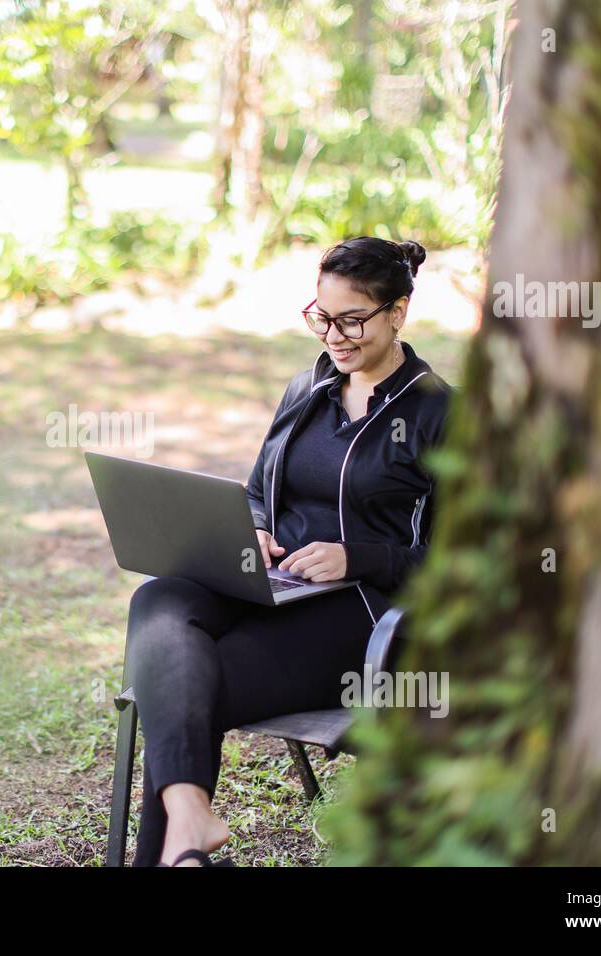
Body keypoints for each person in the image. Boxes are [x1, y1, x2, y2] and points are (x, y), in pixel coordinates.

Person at [122, 236, 453, 866]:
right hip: (271, 581)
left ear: (398, 312)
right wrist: (253, 531)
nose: (334, 335)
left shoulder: (439, 415)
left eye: (353, 320)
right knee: (160, 597)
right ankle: (190, 820)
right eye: (322, 318)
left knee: (185, 685)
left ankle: (172, 852)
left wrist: (358, 556)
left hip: (363, 612)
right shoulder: (307, 388)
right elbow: (256, 491)